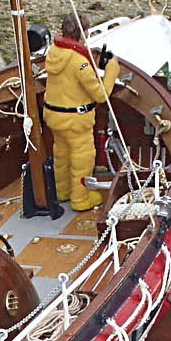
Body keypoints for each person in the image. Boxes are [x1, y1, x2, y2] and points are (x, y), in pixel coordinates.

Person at [43, 11, 121, 212]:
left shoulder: (54, 52)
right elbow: (100, 95)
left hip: (53, 115)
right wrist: (111, 70)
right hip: (75, 120)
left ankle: (62, 191)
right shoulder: (79, 61)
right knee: (82, 156)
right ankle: (80, 198)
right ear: (83, 32)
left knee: (61, 153)